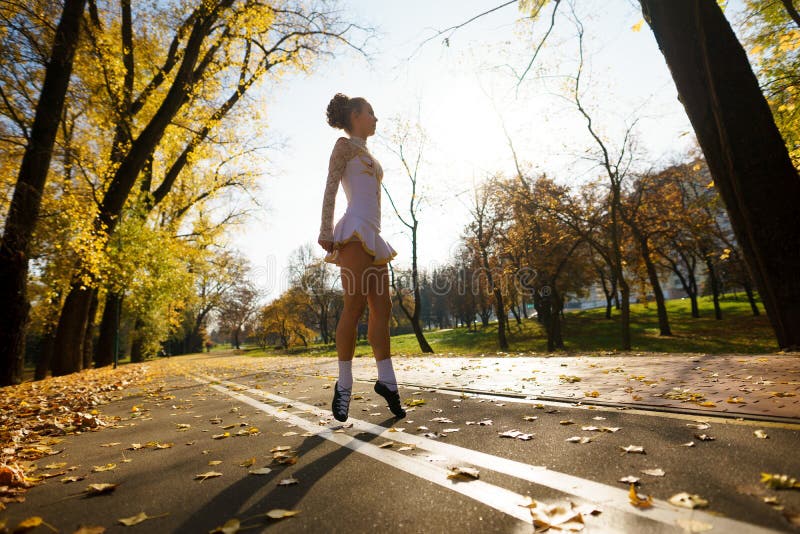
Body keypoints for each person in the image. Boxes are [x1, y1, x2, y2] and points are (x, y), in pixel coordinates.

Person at [317, 92, 406, 422]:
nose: (375, 118)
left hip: (373, 236)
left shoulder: (369, 152)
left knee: (383, 307)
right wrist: (326, 230)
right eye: (370, 112)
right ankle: (344, 385)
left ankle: (387, 382)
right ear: (355, 116)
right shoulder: (343, 146)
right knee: (353, 306)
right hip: (353, 233)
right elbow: (330, 187)